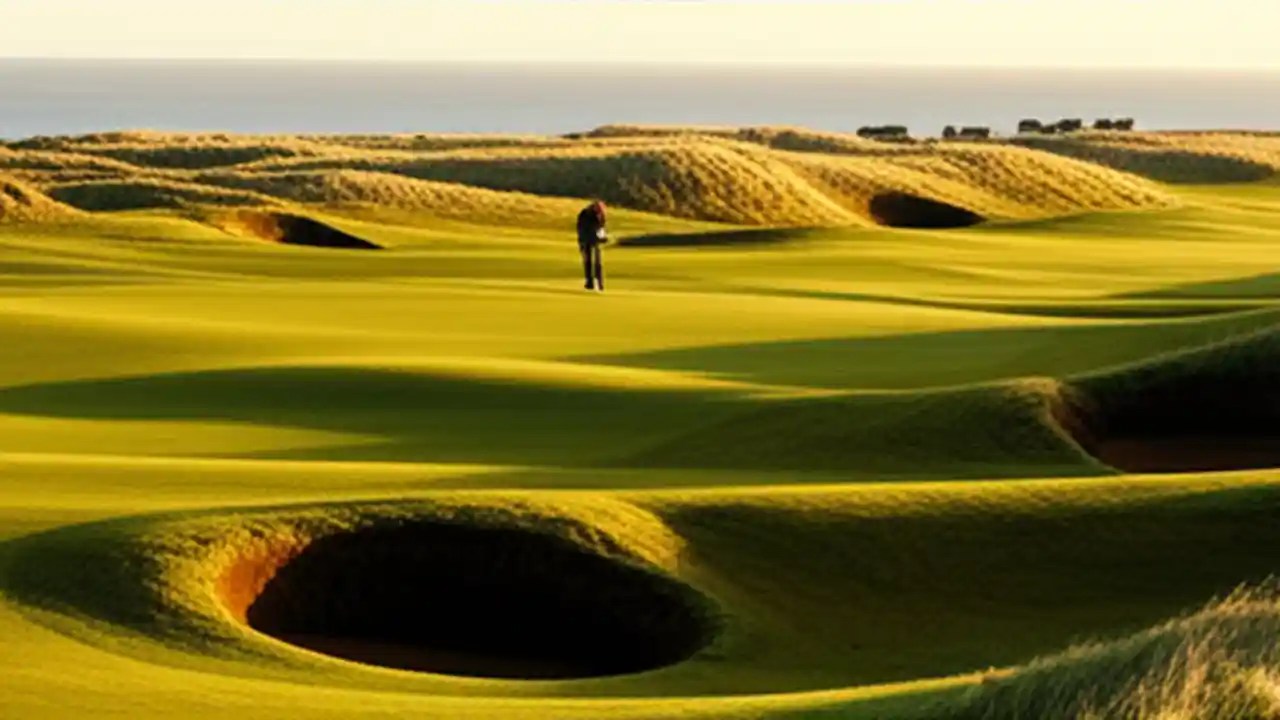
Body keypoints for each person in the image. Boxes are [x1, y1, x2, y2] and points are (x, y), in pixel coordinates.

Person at [576, 200, 607, 291]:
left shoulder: (601, 215)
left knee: (598, 263)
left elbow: (601, 227)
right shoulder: (585, 214)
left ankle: (600, 283)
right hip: (585, 240)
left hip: (595, 241)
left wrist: (602, 237)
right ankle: (589, 283)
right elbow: (581, 228)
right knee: (588, 262)